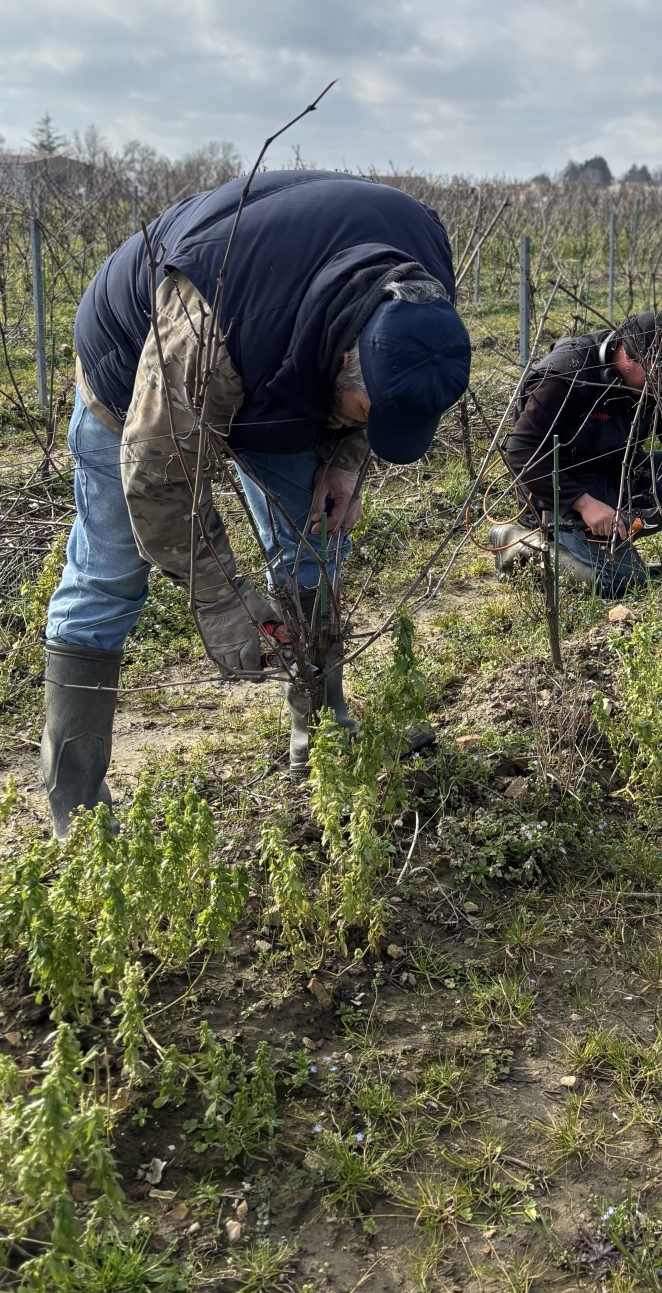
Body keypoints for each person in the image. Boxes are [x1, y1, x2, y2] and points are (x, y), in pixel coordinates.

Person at [40, 170, 471, 838]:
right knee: (110, 576)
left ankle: (322, 740)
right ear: (347, 361)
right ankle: (78, 811)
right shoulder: (209, 327)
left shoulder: (423, 295)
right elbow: (159, 483)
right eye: (364, 409)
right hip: (141, 366)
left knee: (313, 541)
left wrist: (349, 455)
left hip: (283, 360)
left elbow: (391, 385)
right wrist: (226, 606)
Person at [489, 308, 662, 598]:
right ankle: (519, 543)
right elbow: (520, 453)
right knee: (622, 582)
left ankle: (608, 544)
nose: (660, 388)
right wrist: (584, 504)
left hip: (615, 477)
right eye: (658, 377)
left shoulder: (647, 384)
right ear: (629, 356)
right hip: (559, 497)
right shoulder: (566, 373)